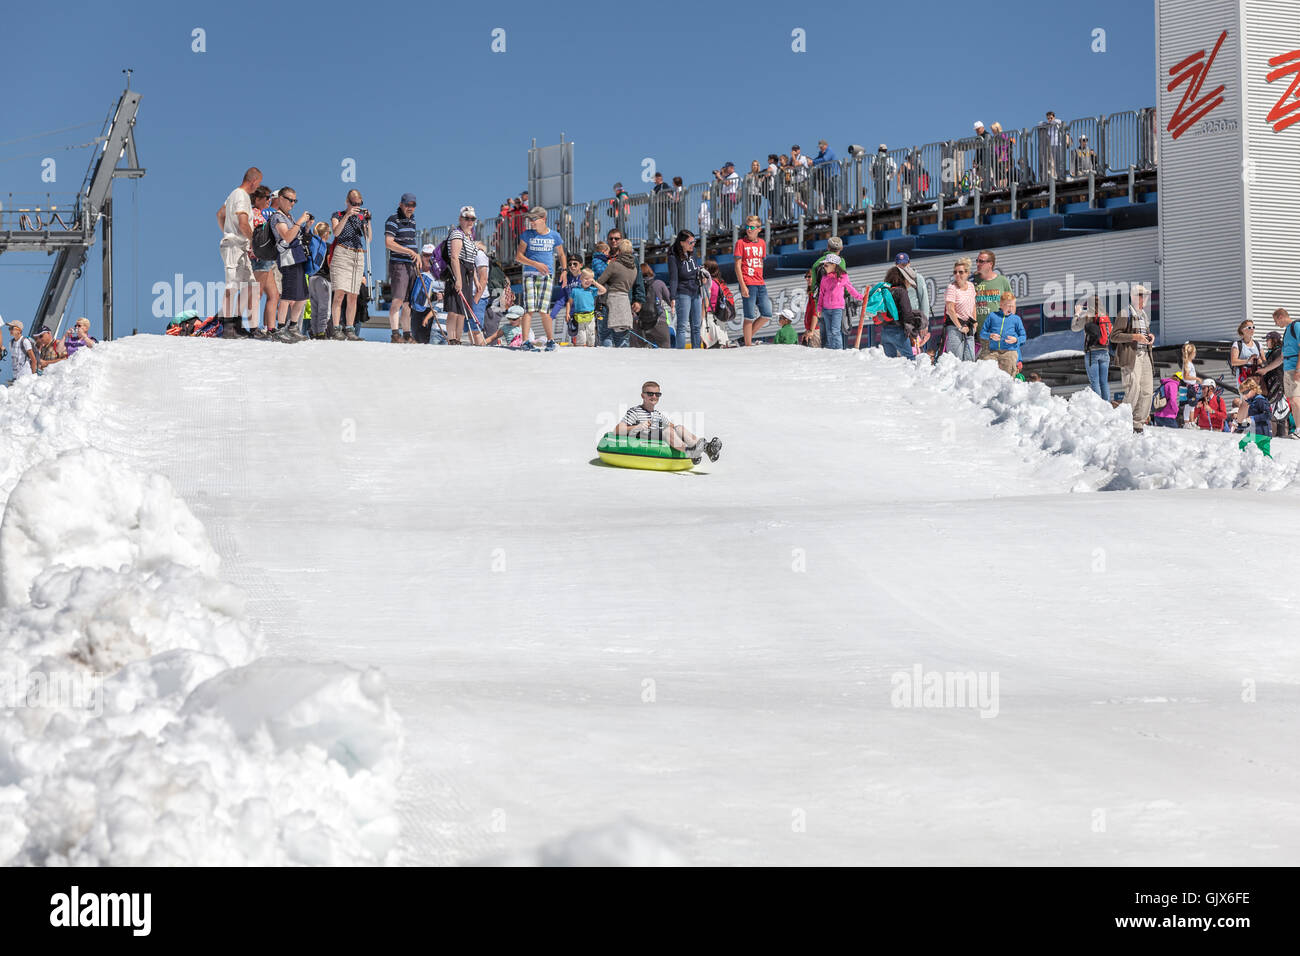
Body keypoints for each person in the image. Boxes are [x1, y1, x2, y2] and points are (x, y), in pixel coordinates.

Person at [613, 381, 721, 463]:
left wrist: (679, 431)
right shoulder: (634, 411)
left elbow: (673, 427)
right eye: (650, 394)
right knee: (667, 431)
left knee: (679, 428)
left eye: (657, 394)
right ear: (643, 396)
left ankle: (706, 448)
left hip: (659, 435)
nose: (654, 396)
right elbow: (617, 430)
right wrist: (638, 427)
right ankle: (689, 451)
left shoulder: (658, 414)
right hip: (645, 437)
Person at [216, 167, 261, 337]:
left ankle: (237, 323)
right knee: (232, 286)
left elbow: (220, 214)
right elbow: (243, 223)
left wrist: (227, 232)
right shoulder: (242, 196)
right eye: (258, 183)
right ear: (254, 181)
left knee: (250, 285)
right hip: (236, 246)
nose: (258, 187)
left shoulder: (232, 194)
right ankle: (229, 328)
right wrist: (254, 242)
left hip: (237, 245)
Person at [516, 206, 567, 351]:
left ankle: (551, 340)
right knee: (529, 309)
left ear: (543, 219)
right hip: (530, 275)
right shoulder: (527, 235)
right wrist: (535, 264)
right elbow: (519, 257)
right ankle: (525, 341)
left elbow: (562, 254)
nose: (531, 222)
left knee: (544, 310)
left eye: (534, 219)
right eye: (530, 219)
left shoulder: (554, 236)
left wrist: (564, 270)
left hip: (547, 276)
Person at [268, 186, 312, 342]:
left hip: (298, 258)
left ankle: (293, 326)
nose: (293, 203)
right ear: (280, 198)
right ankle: (280, 329)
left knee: (302, 296)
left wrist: (306, 227)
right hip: (288, 260)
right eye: (290, 200)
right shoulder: (277, 217)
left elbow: (296, 236)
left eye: (295, 200)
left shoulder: (289, 217)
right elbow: (286, 236)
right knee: (287, 296)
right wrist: (300, 222)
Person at [329, 189, 371, 341]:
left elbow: (368, 238)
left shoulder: (361, 219)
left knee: (353, 295)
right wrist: (347, 215)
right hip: (342, 252)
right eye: (354, 203)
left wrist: (368, 221)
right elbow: (336, 232)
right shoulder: (338, 215)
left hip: (358, 254)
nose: (357, 206)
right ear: (347, 202)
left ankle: (350, 328)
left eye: (359, 204)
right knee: (339, 294)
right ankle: (336, 328)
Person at [1113, 284, 1156, 432]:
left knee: (1147, 391)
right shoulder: (1125, 313)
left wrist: (1150, 337)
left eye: (1145, 296)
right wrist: (1134, 337)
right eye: (1140, 295)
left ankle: (1138, 424)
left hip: (1145, 355)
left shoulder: (1144, 315)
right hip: (1132, 356)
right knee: (1134, 388)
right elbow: (1114, 336)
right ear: (1133, 296)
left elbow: (1144, 334)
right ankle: (1123, 420)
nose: (1143, 299)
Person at [383, 193, 420, 343]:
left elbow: (410, 242)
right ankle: (395, 334)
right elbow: (389, 243)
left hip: (410, 265)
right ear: (401, 204)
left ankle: (407, 334)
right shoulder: (393, 220)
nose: (410, 208)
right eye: (407, 205)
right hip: (399, 264)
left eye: (413, 205)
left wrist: (416, 255)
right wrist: (409, 251)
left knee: (407, 304)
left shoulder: (412, 220)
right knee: (397, 300)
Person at [445, 206, 482, 345]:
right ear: (461, 219)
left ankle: (458, 339)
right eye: (467, 218)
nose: (470, 221)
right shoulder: (457, 234)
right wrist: (458, 279)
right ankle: (452, 338)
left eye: (472, 219)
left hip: (468, 274)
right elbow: (454, 257)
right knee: (453, 309)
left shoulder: (470, 236)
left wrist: (476, 280)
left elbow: (471, 261)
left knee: (462, 310)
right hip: (457, 272)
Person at [247, 186, 279, 338]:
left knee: (274, 295)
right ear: (257, 199)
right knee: (256, 294)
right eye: (267, 198)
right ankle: (253, 329)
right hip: (258, 258)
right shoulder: (253, 214)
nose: (269, 200)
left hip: (267, 259)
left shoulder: (262, 213)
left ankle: (270, 328)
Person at [734, 216, 771, 346]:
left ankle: (745, 340)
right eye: (747, 227)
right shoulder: (740, 243)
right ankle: (748, 345)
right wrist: (743, 285)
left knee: (767, 314)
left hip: (760, 283)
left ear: (759, 229)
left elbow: (760, 262)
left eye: (752, 227)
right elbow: (737, 266)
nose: (749, 230)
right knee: (749, 317)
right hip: (748, 283)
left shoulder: (762, 243)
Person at [814, 255, 863, 351]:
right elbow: (821, 294)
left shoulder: (843, 277)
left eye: (826, 265)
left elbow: (850, 289)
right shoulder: (824, 278)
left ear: (834, 265)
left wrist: (860, 297)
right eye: (824, 265)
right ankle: (833, 351)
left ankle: (839, 350)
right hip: (826, 308)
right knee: (829, 332)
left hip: (837, 308)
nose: (824, 267)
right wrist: (819, 308)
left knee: (835, 330)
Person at [597, 239, 638, 348]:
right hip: (624, 301)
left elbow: (600, 281)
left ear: (619, 251)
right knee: (622, 338)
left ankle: (607, 362)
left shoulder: (614, 265)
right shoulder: (634, 268)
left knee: (606, 335)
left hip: (610, 300)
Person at [1071, 295, 1112, 400]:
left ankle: (1099, 407)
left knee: (1095, 382)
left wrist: (1077, 313)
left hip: (1092, 353)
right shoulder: (1105, 316)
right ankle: (1106, 405)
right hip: (1105, 352)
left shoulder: (1087, 317)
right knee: (1104, 382)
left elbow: (1074, 328)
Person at [668, 230, 703, 349]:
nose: (693, 244)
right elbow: (673, 278)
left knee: (696, 325)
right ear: (682, 243)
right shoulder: (673, 256)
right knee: (682, 325)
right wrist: (672, 297)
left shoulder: (693, 252)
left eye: (694, 241)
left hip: (696, 290)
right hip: (683, 292)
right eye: (690, 242)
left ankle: (697, 349)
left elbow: (696, 270)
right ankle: (681, 352)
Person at [977, 291, 1026, 375]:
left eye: (1013, 306)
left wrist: (1016, 339)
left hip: (1009, 351)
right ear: (1001, 305)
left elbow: (1023, 337)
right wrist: (990, 335)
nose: (1011, 308)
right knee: (985, 369)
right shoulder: (992, 316)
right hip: (992, 351)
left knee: (1008, 372)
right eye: (1009, 306)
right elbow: (982, 333)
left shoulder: (1016, 319)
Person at [942, 257, 977, 360]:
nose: (957, 275)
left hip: (969, 326)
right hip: (955, 326)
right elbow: (950, 309)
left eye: (961, 272)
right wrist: (959, 327)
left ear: (967, 273)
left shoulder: (971, 286)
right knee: (956, 360)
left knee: (970, 360)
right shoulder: (952, 288)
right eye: (955, 272)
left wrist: (975, 322)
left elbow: (973, 305)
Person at [972, 250, 1013, 332]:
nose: (978, 264)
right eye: (977, 261)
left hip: (997, 330)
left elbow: (1011, 304)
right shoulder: (972, 281)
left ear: (990, 264)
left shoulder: (1002, 281)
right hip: (977, 332)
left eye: (981, 261)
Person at [1233, 375, 1273, 456]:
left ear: (1254, 389)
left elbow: (1268, 415)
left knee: (1242, 445)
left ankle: (1243, 462)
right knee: (1266, 455)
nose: (1244, 396)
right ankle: (1269, 467)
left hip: (1260, 433)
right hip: (1261, 434)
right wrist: (1240, 426)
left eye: (1246, 392)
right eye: (1242, 393)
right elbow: (1250, 421)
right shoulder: (1252, 403)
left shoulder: (1260, 400)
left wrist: (1253, 418)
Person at [636, 263, 673, 348]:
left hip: (642, 323)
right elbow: (669, 300)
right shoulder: (659, 283)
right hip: (659, 320)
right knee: (665, 347)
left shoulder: (637, 286)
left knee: (646, 352)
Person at [308, 220, 333, 339]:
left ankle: (314, 331)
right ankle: (321, 332)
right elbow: (330, 263)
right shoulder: (327, 246)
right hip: (324, 279)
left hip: (312, 278)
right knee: (324, 307)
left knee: (314, 307)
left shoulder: (312, 244)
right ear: (326, 233)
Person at [567, 268, 604, 347]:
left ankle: (591, 348)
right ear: (580, 278)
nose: (587, 281)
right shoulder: (575, 290)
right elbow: (569, 303)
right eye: (586, 279)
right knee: (581, 336)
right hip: (579, 317)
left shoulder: (592, 290)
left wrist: (595, 283)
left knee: (591, 336)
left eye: (590, 280)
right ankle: (581, 349)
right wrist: (567, 313)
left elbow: (603, 290)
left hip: (590, 316)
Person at [894, 252, 931, 326]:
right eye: (900, 265)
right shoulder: (894, 280)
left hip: (915, 318)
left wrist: (924, 322)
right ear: (896, 265)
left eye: (904, 264)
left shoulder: (917, 278)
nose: (903, 267)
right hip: (899, 320)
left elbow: (924, 299)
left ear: (909, 263)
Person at [1230, 319, 1264, 384]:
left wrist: (1260, 361)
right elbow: (1233, 362)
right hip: (1244, 378)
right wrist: (1248, 361)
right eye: (1249, 328)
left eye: (1253, 327)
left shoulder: (1258, 344)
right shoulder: (1237, 344)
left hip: (1256, 377)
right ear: (1243, 330)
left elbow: (1264, 360)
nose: (1252, 329)